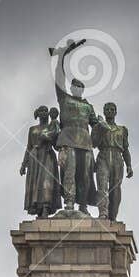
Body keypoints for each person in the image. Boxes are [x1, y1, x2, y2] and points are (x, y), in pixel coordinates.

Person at [52, 40, 98, 213]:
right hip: (68, 140)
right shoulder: (64, 99)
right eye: (75, 86)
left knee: (85, 176)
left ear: (83, 90)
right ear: (71, 88)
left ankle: (83, 205)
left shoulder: (88, 106)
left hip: (85, 143)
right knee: (69, 173)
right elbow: (58, 78)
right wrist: (62, 56)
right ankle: (70, 203)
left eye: (80, 87)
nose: (77, 88)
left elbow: (96, 125)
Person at [92, 102, 132, 221]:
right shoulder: (98, 127)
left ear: (115, 112)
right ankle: (103, 213)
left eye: (112, 109)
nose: (109, 111)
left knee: (115, 189)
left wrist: (129, 165)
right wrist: (101, 129)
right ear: (104, 112)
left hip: (117, 158)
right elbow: (93, 143)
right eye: (107, 109)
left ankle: (112, 216)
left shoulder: (122, 130)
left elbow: (125, 149)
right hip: (103, 156)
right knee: (102, 186)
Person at [19, 105, 60, 218]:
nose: (44, 113)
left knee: (47, 181)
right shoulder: (33, 129)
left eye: (46, 111)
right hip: (34, 157)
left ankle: (46, 207)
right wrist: (23, 164)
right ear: (38, 113)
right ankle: (38, 208)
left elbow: (57, 143)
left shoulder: (52, 126)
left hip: (47, 156)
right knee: (36, 183)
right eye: (41, 111)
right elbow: (28, 146)